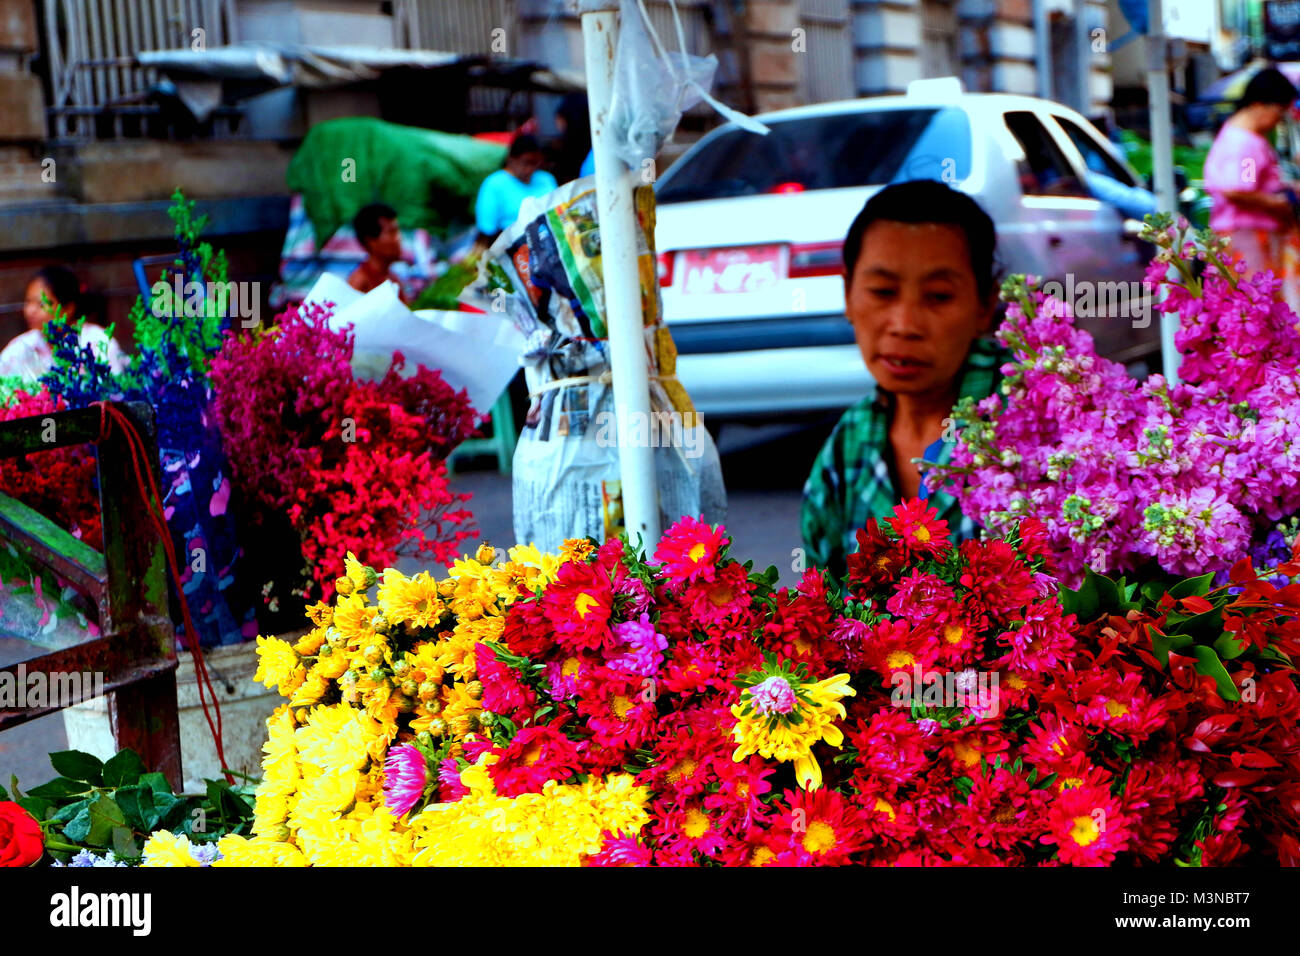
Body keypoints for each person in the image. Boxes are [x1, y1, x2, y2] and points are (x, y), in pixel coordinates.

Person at [801, 180, 1011, 579]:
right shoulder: (848, 444)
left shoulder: (1033, 422)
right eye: (882, 291)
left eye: (938, 296)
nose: (904, 325)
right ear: (847, 294)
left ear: (985, 305)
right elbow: (819, 605)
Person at [1203, 67, 1300, 309]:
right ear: (1259, 104)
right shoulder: (1244, 143)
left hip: (1243, 235)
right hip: (1247, 238)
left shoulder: (1238, 136)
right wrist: (1279, 202)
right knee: (1253, 307)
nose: (1278, 120)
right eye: (1279, 112)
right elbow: (1240, 189)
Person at [0, 265, 126, 382]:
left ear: (68, 308)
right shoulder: (22, 346)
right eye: (28, 302)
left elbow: (117, 391)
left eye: (41, 304)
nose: (30, 311)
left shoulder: (98, 341)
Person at [474, 134, 559, 244]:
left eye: (535, 163)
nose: (530, 169)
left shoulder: (546, 179)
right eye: (526, 162)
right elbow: (486, 230)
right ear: (511, 159)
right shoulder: (494, 184)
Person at [347, 203, 408, 301]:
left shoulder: (394, 280)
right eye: (391, 232)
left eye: (398, 232)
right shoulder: (359, 282)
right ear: (371, 241)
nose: (398, 238)